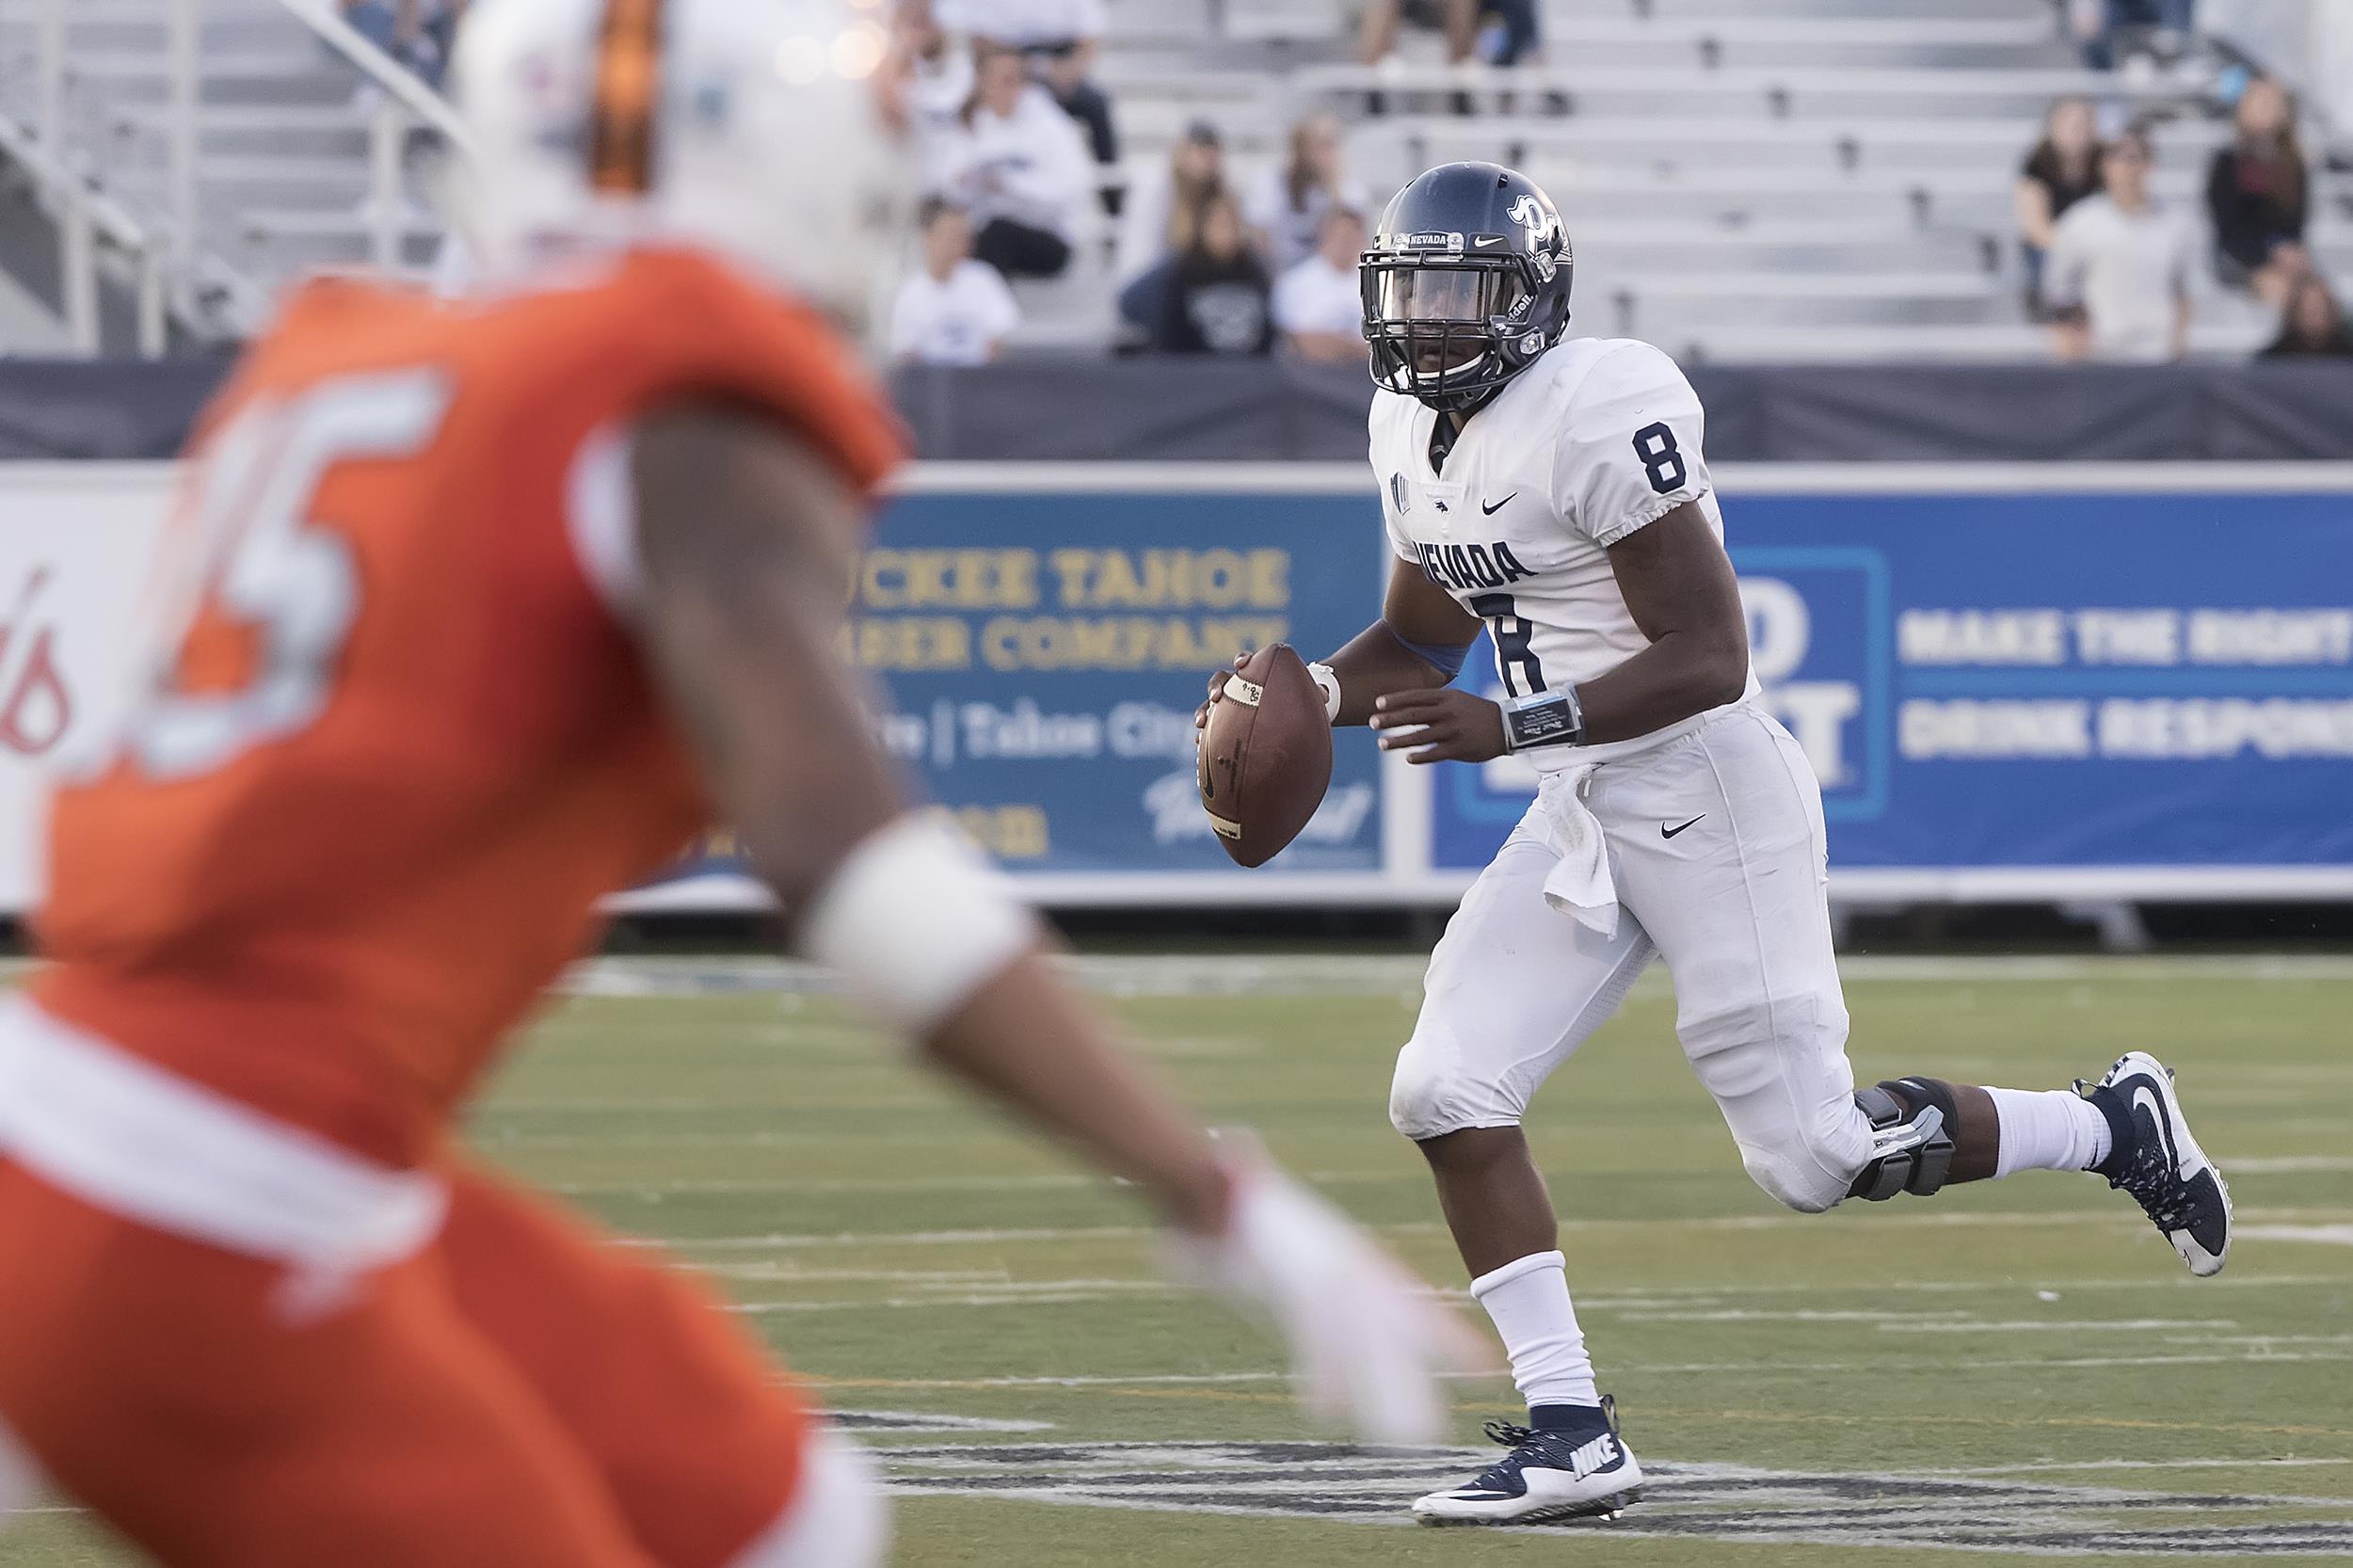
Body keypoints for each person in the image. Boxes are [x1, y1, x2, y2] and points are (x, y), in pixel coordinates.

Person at [0, 5, 1486, 1563]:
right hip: (217, 1202)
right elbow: (854, 868)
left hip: (139, 1115)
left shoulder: (355, 351)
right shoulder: (674, 396)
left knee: (779, 1503)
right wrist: (1218, 1196)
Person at [1200, 160, 2233, 1527]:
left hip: (1707, 791)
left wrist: (1512, 725)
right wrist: (1312, 694)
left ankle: (2108, 1124)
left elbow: (1708, 653)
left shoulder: (1595, 405)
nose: (1430, 321)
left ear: (1530, 301)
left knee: (1813, 1158)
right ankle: (1571, 1430)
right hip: (1581, 808)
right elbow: (1419, 637)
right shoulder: (1405, 427)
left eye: (1461, 292)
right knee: (1444, 1091)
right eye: (1413, 291)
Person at [2046, 125, 2201, 362]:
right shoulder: (2081, 222)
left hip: (2157, 354)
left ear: (2150, 164)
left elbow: (2184, 290)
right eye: (2115, 157)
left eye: (2133, 158)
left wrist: (2178, 344)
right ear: (2103, 166)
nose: (2125, 168)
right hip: (2100, 356)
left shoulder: (2176, 224)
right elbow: (2060, 289)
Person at [937, 43, 1093, 280]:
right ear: (983, 84)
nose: (1005, 89)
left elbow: (1071, 188)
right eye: (997, 80)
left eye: (1012, 80)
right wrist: (967, 183)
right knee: (949, 235)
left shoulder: (1051, 125)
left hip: (1047, 233)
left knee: (995, 235)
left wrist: (1008, 185)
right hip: (982, 229)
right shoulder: (972, 124)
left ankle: (989, 301)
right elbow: (948, 187)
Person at [936, 0, 1118, 180]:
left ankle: (1111, 186)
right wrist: (1008, 71)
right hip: (1004, 60)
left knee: (1096, 104)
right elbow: (979, 37)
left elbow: (1087, 43)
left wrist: (1061, 73)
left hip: (1059, 70)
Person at [2206, 76, 2310, 307]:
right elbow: (2229, 225)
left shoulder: (2293, 165)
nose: (2265, 107)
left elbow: (2296, 224)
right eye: (2259, 100)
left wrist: (2287, 251)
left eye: (2271, 100)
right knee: (2278, 288)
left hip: (2283, 256)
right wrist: (2271, 251)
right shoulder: (2227, 162)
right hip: (2237, 256)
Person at [891, 200, 1021, 366]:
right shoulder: (910, 294)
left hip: (979, 377)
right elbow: (906, 355)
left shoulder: (983, 278)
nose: (959, 243)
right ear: (928, 237)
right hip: (934, 380)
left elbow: (1002, 335)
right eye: (951, 235)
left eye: (963, 236)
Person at [1150, 190, 1273, 357]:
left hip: (1248, 368)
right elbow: (1170, 338)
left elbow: (1267, 333)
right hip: (1198, 368)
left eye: (1232, 224)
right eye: (1220, 224)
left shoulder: (1255, 271)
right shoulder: (1182, 273)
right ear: (1202, 228)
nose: (1227, 232)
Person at [1248, 112, 1371, 275]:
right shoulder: (1272, 182)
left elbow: (1354, 236)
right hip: (1281, 272)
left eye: (1331, 145)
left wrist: (1333, 187)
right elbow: (1259, 236)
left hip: (1329, 274)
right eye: (1321, 145)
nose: (1327, 153)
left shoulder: (1348, 187)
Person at [2016, 96, 2104, 316]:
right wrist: (2075, 249)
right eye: (2075, 126)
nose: (2082, 132)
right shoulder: (2037, 163)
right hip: (2054, 246)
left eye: (2087, 125)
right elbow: (2036, 229)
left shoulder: (2104, 160)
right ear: (2055, 127)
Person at [1115, 119, 1227, 288]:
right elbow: (1139, 253)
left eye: (1211, 155)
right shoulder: (1154, 190)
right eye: (1200, 153)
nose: (1206, 162)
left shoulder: (1220, 194)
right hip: (1159, 283)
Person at [1273, 206, 1370, 363]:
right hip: (1312, 370)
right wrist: (1352, 346)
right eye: (1340, 236)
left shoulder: (1375, 282)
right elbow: (1299, 340)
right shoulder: (1296, 282)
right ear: (1325, 236)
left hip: (1364, 370)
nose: (1345, 243)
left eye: (1352, 236)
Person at [2072, 0, 2195, 71]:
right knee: (2091, 34)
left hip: (2161, 14)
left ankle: (2178, 55)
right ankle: (2107, 95)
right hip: (2117, 15)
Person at [2259, 270, 2353, 357]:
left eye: (2319, 309)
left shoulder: (2347, 354)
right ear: (2295, 312)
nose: (2314, 316)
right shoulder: (2273, 358)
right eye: (2308, 310)